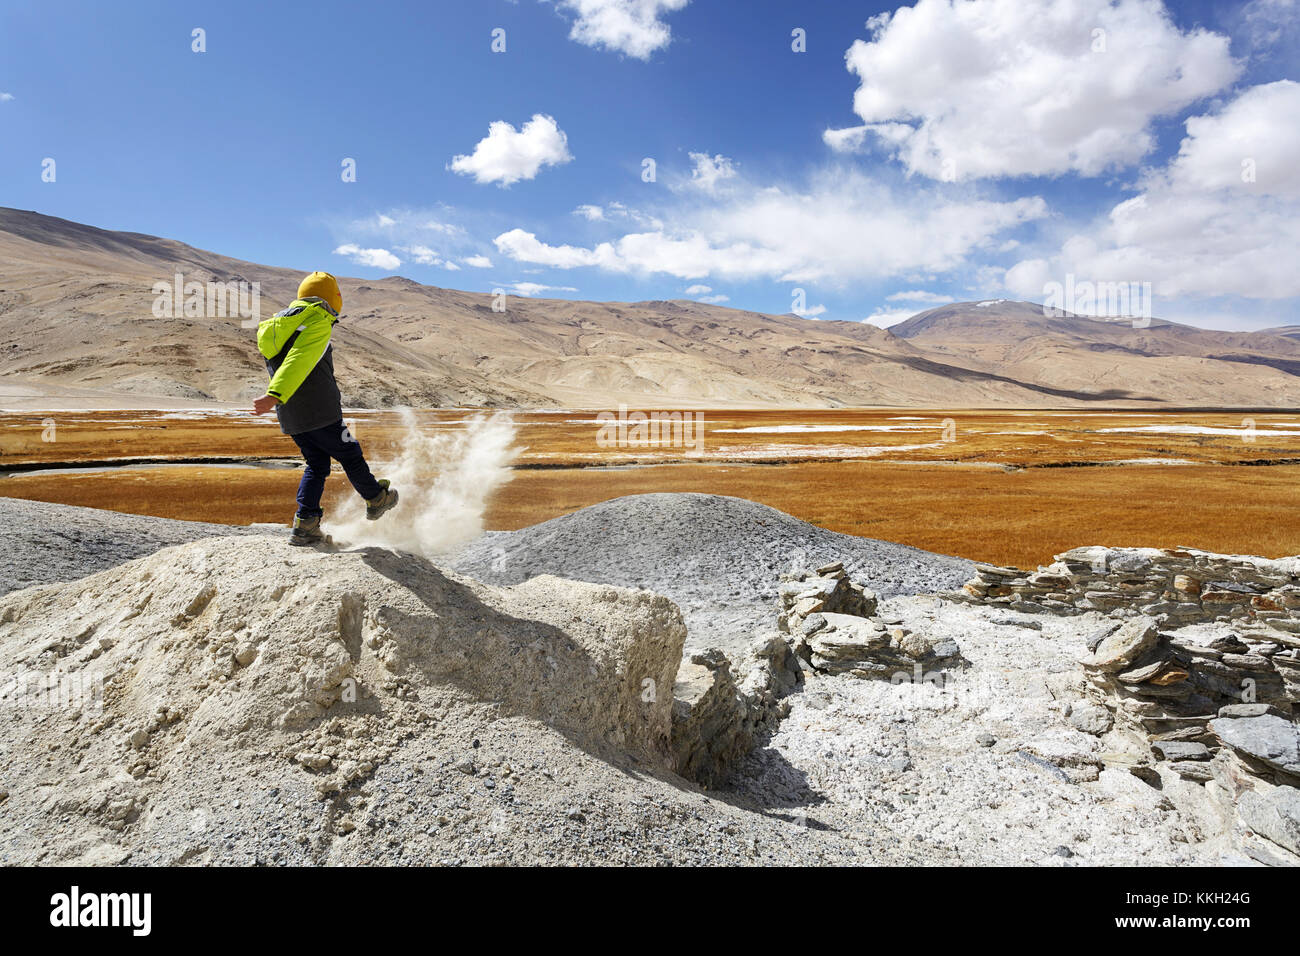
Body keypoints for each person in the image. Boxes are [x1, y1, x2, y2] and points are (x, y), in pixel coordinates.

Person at [251, 271, 398, 545]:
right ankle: (376, 498)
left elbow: (289, 360)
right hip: (320, 411)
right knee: (350, 454)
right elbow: (298, 360)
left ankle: (306, 523)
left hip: (291, 415)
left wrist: (277, 399)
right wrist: (274, 394)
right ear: (333, 299)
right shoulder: (318, 321)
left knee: (316, 464)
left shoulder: (278, 327)